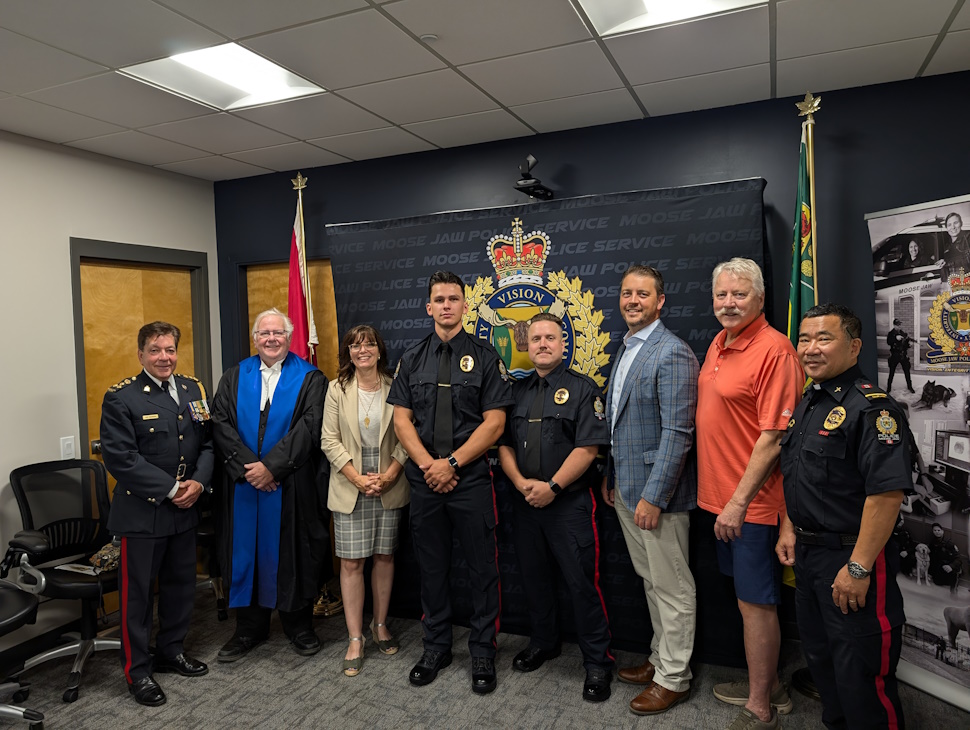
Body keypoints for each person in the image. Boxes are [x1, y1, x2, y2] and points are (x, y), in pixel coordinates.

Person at [776, 303, 907, 729]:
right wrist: (789, 527)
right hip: (810, 557)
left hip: (851, 558)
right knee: (822, 662)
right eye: (804, 338)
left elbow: (886, 496)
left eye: (823, 338)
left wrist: (858, 566)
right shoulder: (810, 400)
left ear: (854, 347)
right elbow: (802, 477)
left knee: (861, 674)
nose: (810, 349)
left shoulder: (872, 409)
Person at [388, 270, 514, 694]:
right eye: (438, 299)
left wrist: (453, 463)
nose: (446, 305)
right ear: (429, 307)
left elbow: (495, 423)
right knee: (432, 569)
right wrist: (429, 466)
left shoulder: (484, 355)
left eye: (453, 299)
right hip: (426, 482)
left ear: (465, 305)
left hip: (471, 479)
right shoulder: (412, 357)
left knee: (482, 570)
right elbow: (401, 419)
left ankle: (482, 651)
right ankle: (436, 646)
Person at [696, 258, 802, 729]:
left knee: (757, 605)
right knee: (743, 600)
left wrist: (739, 503)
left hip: (752, 506)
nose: (728, 303)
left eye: (739, 294)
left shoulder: (775, 350)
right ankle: (769, 684)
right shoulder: (719, 342)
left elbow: (775, 436)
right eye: (721, 294)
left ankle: (762, 706)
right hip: (720, 502)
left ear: (760, 298)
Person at [497, 313, 614, 702]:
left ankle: (597, 660)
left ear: (564, 344)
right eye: (535, 339)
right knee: (534, 580)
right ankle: (544, 643)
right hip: (525, 502)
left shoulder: (583, 390)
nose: (543, 344)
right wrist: (519, 482)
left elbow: (589, 449)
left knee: (582, 584)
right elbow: (505, 445)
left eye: (550, 338)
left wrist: (552, 486)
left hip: (568, 504)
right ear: (526, 346)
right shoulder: (517, 390)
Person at [600, 265, 698, 716]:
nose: (632, 300)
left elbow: (678, 432)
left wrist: (653, 496)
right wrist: (613, 480)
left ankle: (674, 677)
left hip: (657, 498)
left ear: (661, 301)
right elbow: (622, 426)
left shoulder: (671, 352)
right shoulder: (626, 349)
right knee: (652, 582)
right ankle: (661, 662)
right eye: (626, 293)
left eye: (642, 294)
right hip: (626, 490)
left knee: (673, 587)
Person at [100, 321, 213, 707]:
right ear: (141, 354)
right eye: (155, 350)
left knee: (182, 587)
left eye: (170, 350)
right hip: (143, 513)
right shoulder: (122, 398)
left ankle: (171, 651)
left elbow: (207, 443)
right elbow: (121, 459)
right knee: (137, 598)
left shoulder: (192, 389)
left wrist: (197, 483)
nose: (164, 357)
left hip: (186, 508)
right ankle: (138, 672)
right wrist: (171, 488)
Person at [211, 308, 329, 662]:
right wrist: (252, 469)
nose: (271, 339)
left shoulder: (311, 378)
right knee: (246, 552)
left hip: (290, 485)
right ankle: (249, 629)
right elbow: (219, 422)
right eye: (265, 334)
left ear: (289, 337)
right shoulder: (235, 377)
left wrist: (272, 469)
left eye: (278, 333)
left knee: (293, 552)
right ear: (255, 338)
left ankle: (299, 627)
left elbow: (310, 427)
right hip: (246, 485)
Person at [320, 325, 409, 677]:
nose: (363, 351)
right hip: (350, 485)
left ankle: (380, 625)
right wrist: (357, 478)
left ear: (379, 349)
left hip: (389, 483)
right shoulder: (336, 389)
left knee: (384, 557)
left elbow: (407, 436)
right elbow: (329, 440)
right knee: (352, 564)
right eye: (355, 346)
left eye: (369, 344)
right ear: (349, 353)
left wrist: (388, 475)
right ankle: (356, 637)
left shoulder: (395, 385)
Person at [928, 522, 963, 593]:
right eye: (935, 530)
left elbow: (958, 558)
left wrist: (951, 566)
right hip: (941, 566)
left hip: (951, 566)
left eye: (938, 530)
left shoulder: (949, 543)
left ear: (942, 531)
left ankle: (953, 590)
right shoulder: (933, 542)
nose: (937, 532)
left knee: (955, 573)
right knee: (937, 582)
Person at [885, 319, 915, 394]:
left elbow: (905, 345)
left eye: (900, 325)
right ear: (894, 325)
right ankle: (888, 388)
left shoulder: (903, 334)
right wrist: (895, 338)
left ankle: (910, 386)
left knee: (907, 372)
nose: (899, 326)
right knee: (891, 372)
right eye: (897, 325)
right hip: (894, 355)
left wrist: (909, 345)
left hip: (903, 355)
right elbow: (888, 342)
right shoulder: (891, 334)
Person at [941, 212, 970, 276]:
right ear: (946, 228)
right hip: (954, 282)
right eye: (949, 225)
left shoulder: (968, 238)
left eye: (955, 223)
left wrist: (947, 261)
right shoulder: (947, 246)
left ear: (961, 224)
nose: (953, 227)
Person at [893, 514, 916, 578]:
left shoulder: (905, 531)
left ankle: (907, 571)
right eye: (900, 520)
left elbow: (911, 544)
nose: (902, 522)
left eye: (903, 520)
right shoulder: (891, 530)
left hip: (904, 552)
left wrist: (906, 551)